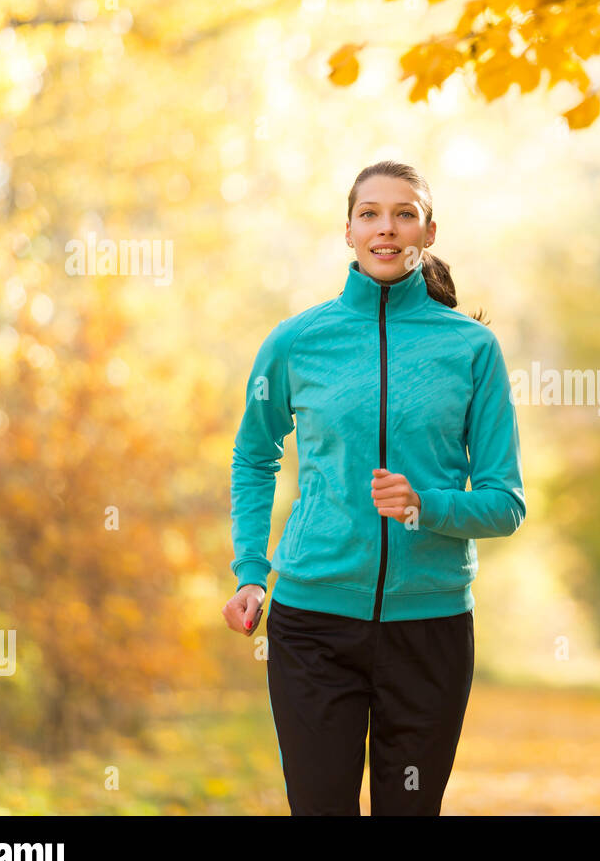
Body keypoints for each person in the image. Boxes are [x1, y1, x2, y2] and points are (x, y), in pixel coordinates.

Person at [221, 160, 526, 815]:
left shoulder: (472, 351)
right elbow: (253, 455)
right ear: (349, 230)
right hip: (312, 623)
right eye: (370, 213)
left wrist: (427, 506)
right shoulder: (298, 342)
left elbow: (505, 502)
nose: (386, 228)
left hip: (431, 627)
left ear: (429, 230)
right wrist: (251, 571)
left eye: (404, 213)